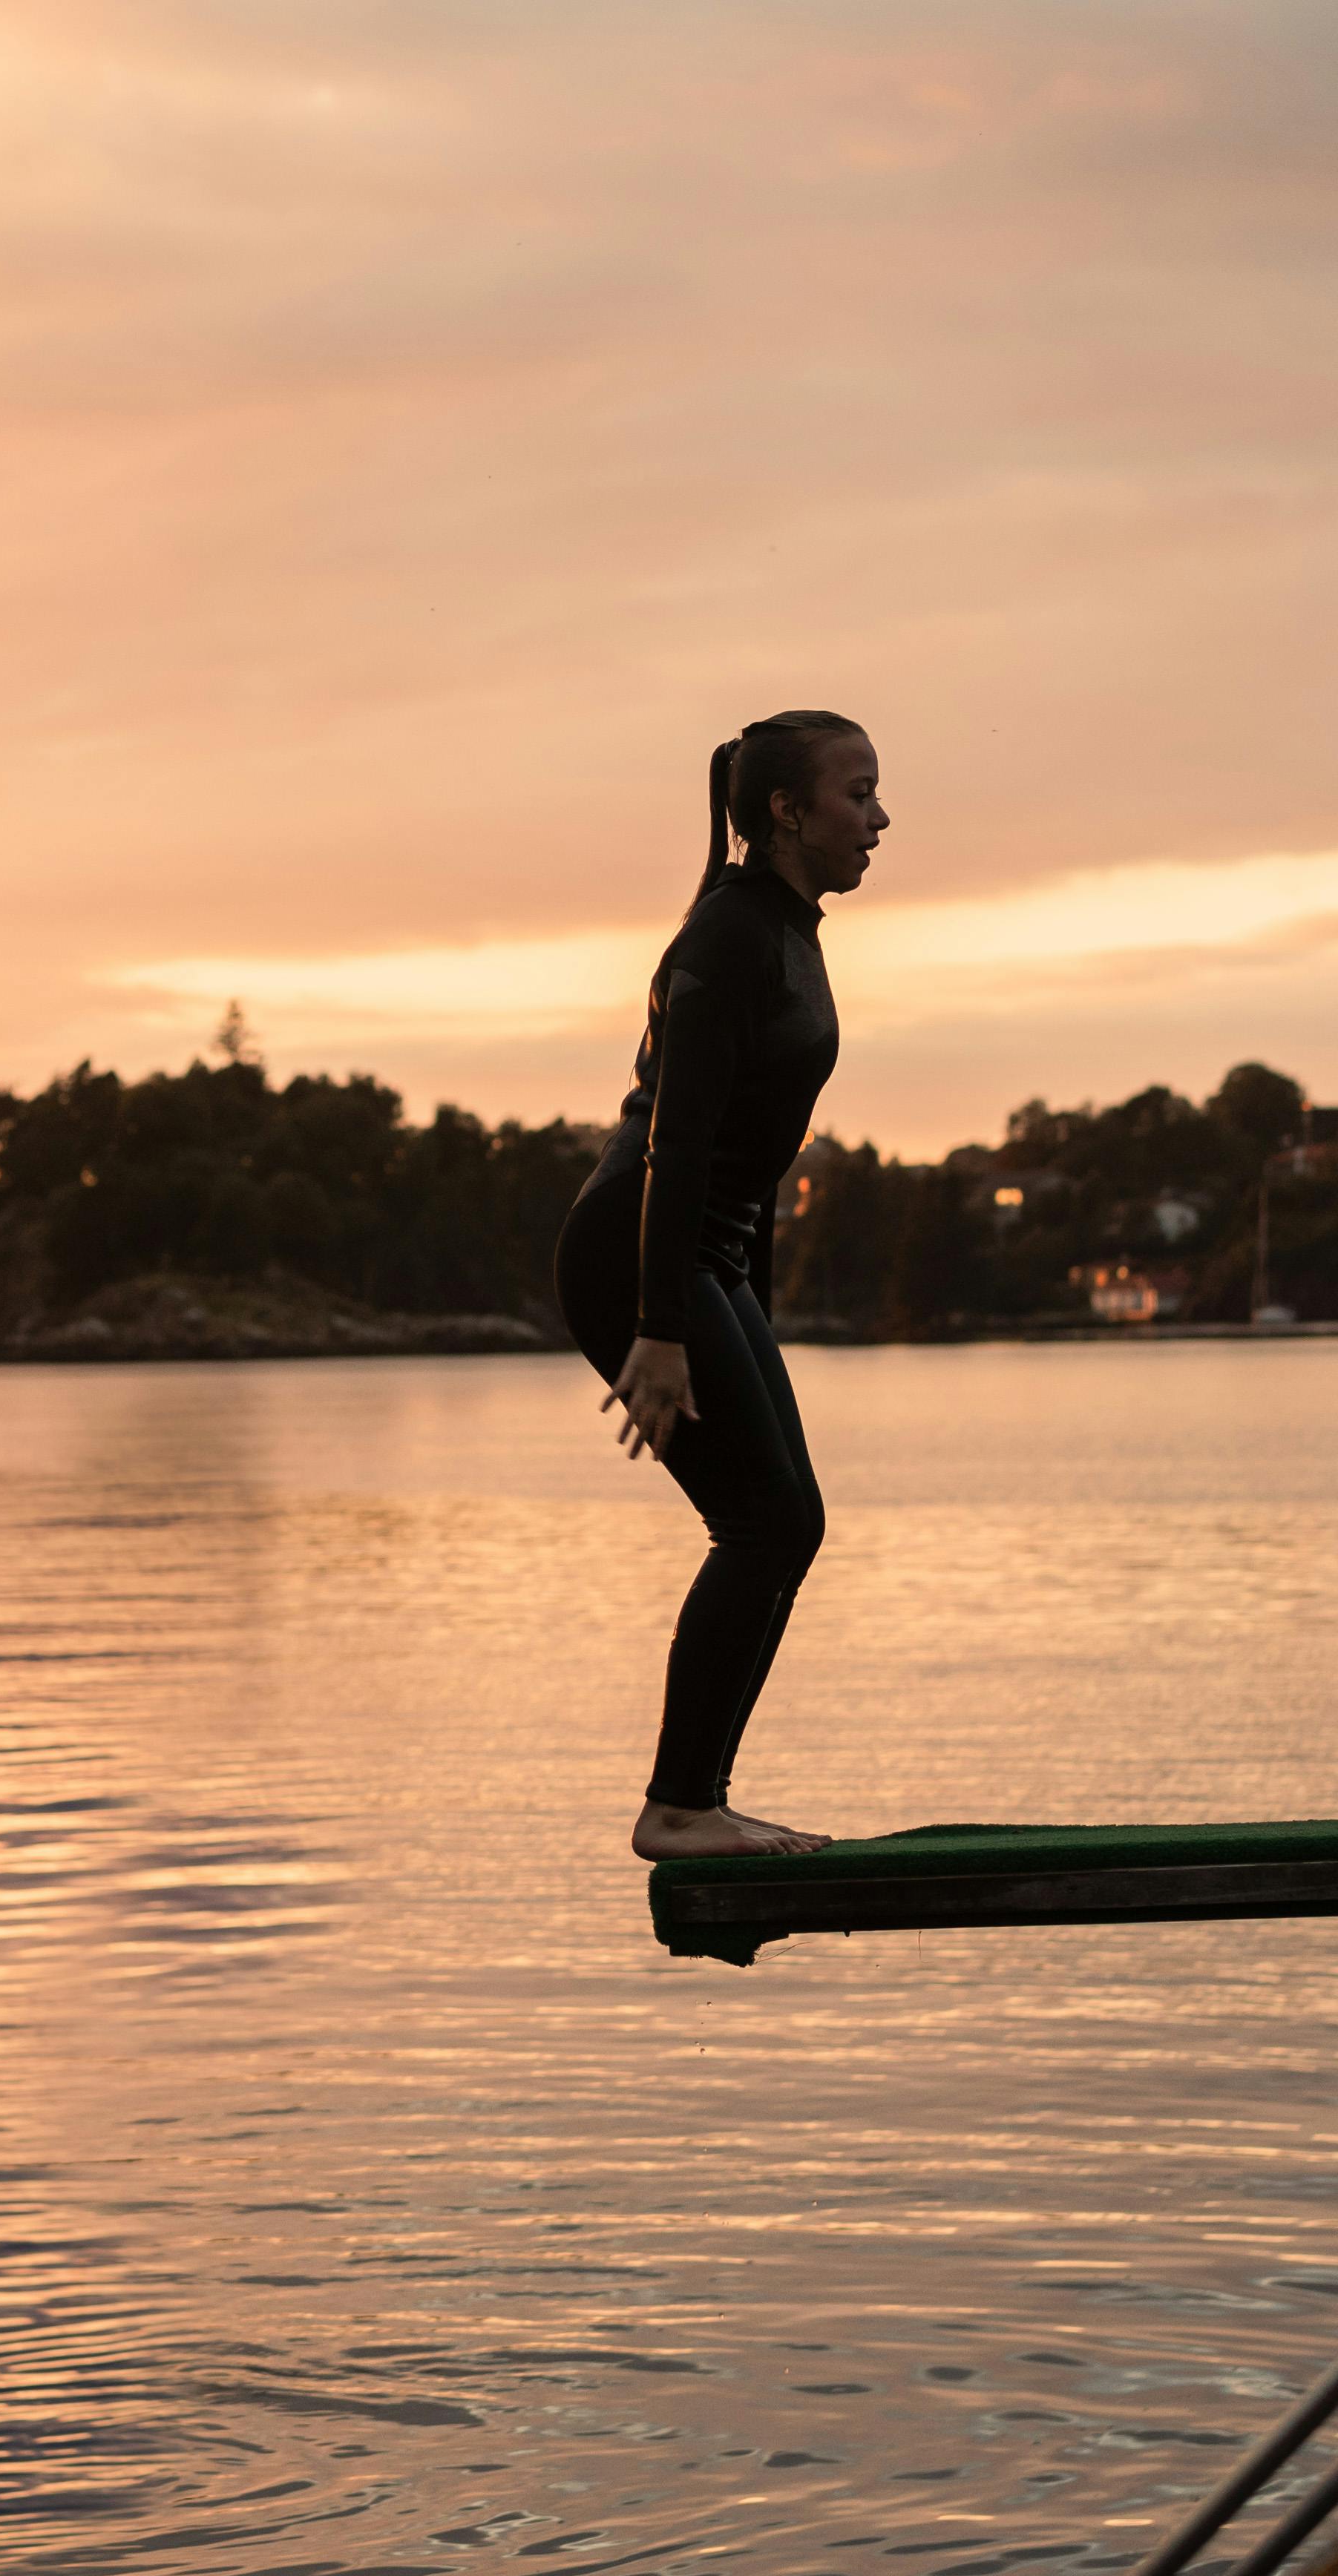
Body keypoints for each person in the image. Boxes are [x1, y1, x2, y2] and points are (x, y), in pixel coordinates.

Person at [557, 711, 884, 1862]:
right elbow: (677, 1147)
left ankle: (699, 1798)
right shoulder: (729, 940)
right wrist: (660, 1330)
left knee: (789, 1522)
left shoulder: (789, 928)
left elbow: (764, 1156)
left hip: (711, 1254)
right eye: (858, 795)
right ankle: (681, 1807)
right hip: (642, 1249)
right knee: (767, 1522)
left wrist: (757, 1313)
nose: (880, 820)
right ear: (788, 813)